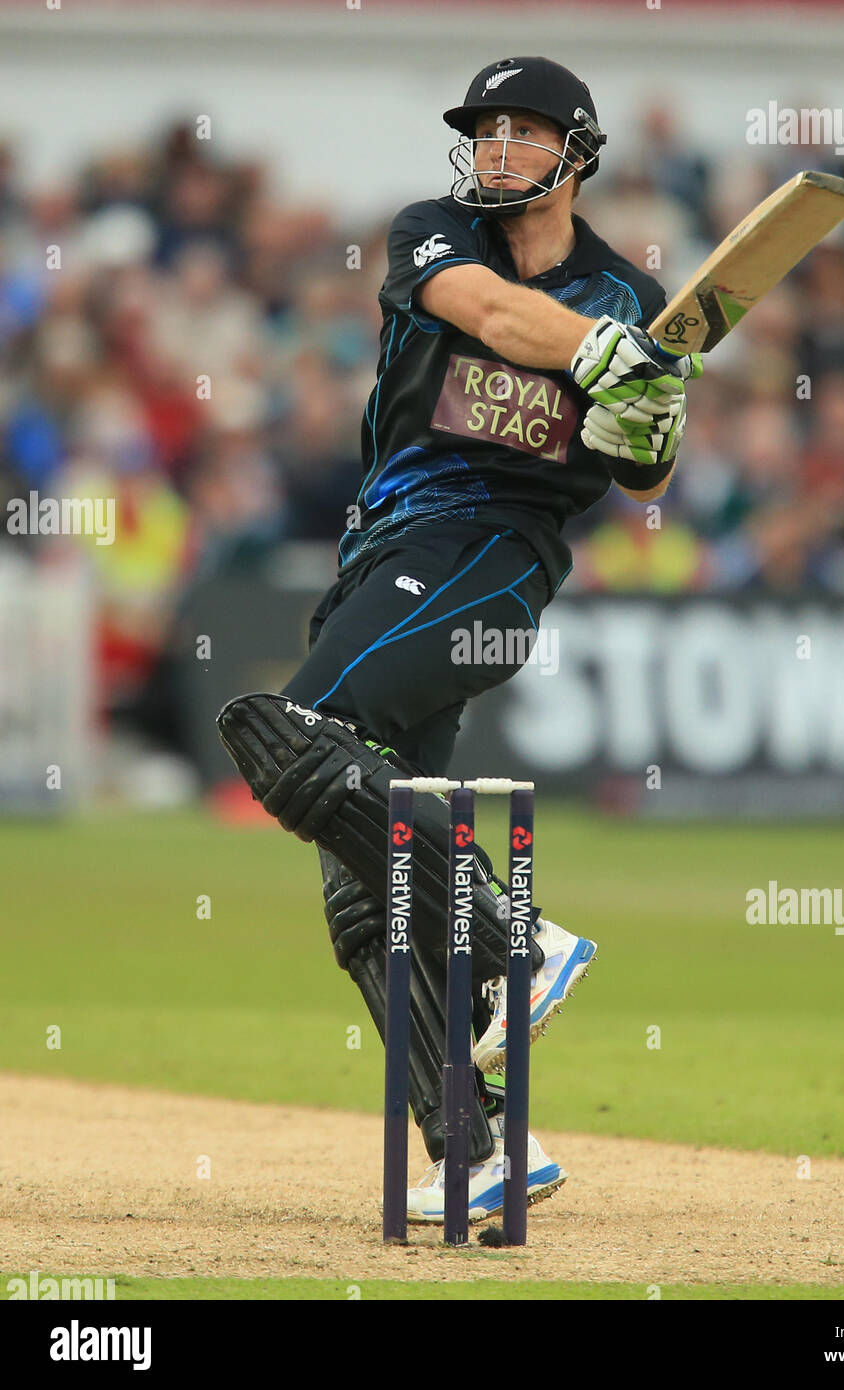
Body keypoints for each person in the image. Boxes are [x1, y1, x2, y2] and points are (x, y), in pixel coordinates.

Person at [218, 56, 698, 1226]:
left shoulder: (629, 298)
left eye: (523, 132)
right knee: (363, 903)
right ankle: (474, 1152)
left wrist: (653, 418)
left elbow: (645, 473)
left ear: (576, 156)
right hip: (385, 550)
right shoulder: (434, 236)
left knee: (283, 734)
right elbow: (490, 317)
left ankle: (520, 936)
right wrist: (594, 356)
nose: (494, 151)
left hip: (493, 551)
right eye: (484, 132)